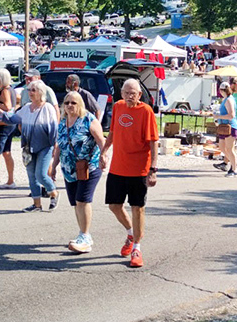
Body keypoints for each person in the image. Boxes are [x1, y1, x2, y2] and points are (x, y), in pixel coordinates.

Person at [101, 78, 158, 268]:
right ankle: (131, 232)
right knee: (114, 205)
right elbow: (113, 132)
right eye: (126, 92)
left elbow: (153, 141)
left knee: (137, 207)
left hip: (139, 168)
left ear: (139, 94)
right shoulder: (118, 106)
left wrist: (153, 170)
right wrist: (104, 151)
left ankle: (137, 248)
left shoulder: (146, 111)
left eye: (132, 93)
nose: (129, 96)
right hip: (118, 166)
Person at [52, 92, 105, 253]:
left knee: (83, 200)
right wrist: (53, 165)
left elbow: (101, 140)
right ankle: (82, 233)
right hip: (69, 169)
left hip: (89, 166)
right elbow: (59, 145)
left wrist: (104, 156)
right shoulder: (63, 122)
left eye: (73, 103)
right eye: (67, 102)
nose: (69, 106)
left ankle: (85, 236)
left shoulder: (88, 119)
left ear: (80, 104)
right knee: (76, 202)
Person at [6, 80, 59, 211]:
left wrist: (55, 146)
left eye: (33, 90)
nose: (30, 93)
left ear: (41, 92)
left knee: (41, 174)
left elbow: (53, 129)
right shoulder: (27, 107)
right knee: (31, 176)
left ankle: (54, 193)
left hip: (45, 146)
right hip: (28, 147)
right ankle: (37, 204)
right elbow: (12, 119)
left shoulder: (48, 108)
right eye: (29, 90)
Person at [0, 69, 18, 189]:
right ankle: (10, 180)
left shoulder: (5, 91)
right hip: (10, 124)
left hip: (1, 125)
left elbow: (7, 106)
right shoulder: (11, 89)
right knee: (7, 152)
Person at [213, 82, 237, 175]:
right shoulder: (226, 99)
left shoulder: (229, 100)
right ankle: (234, 162)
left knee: (229, 148)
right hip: (224, 126)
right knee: (222, 147)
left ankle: (234, 169)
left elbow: (231, 115)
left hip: (230, 126)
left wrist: (218, 116)